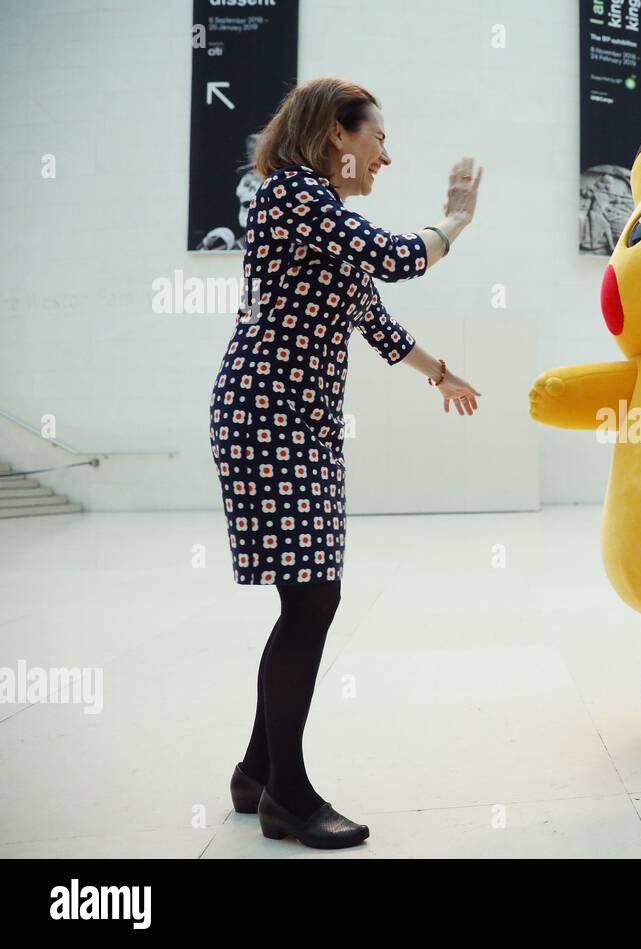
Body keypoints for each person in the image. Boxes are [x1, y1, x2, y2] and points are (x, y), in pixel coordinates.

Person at [207, 76, 483, 849]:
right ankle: (287, 796)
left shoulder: (322, 217)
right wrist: (456, 220)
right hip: (269, 416)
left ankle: (256, 770)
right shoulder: (290, 196)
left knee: (308, 598)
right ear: (337, 134)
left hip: (300, 422)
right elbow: (398, 259)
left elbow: (374, 318)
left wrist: (442, 373)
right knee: (311, 600)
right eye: (379, 139)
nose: (385, 156)